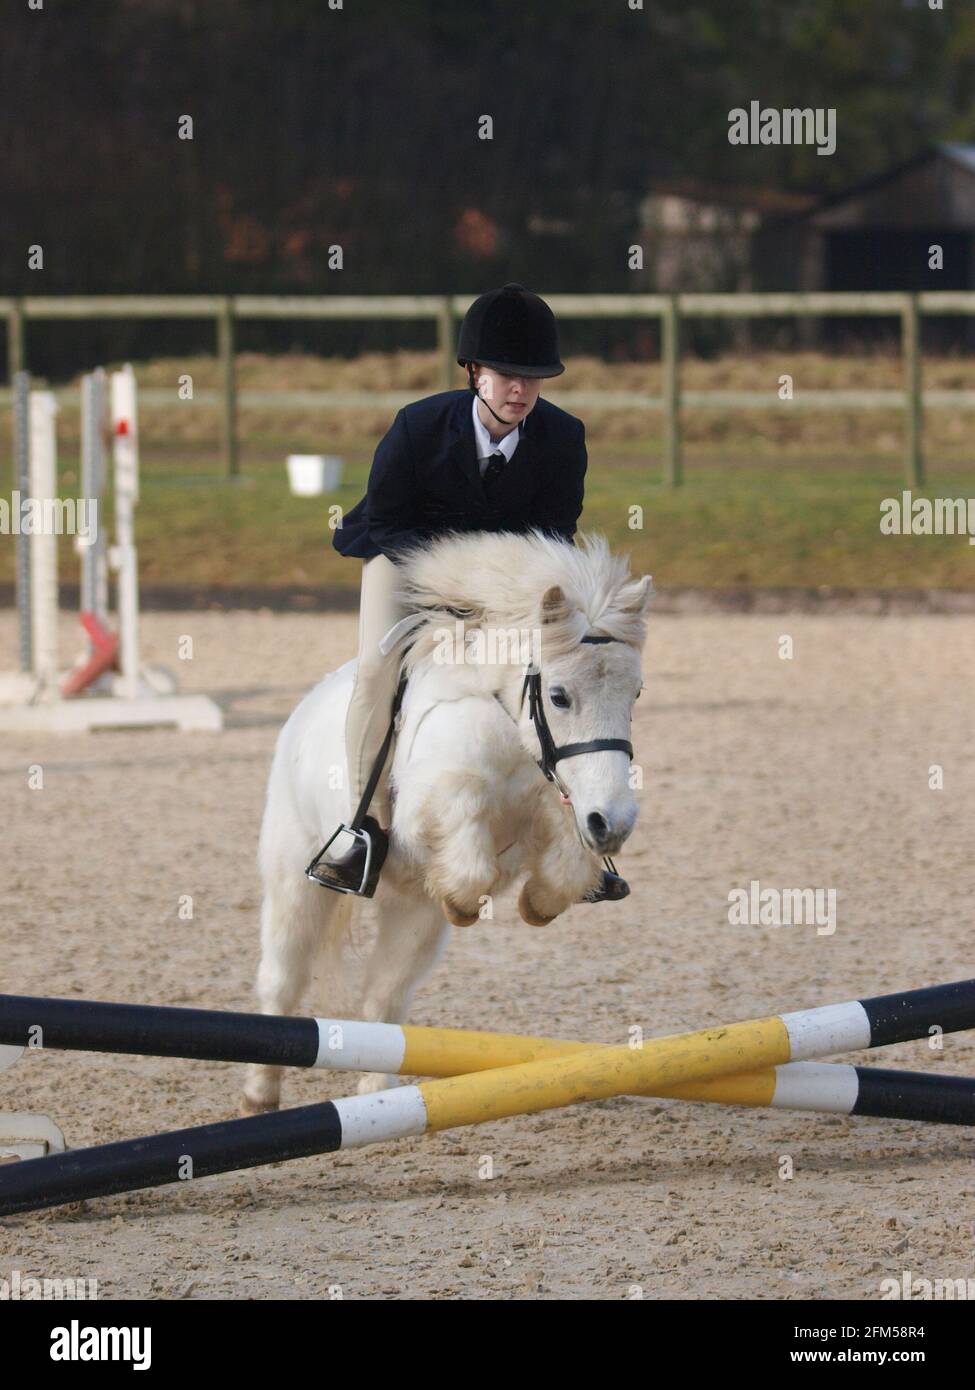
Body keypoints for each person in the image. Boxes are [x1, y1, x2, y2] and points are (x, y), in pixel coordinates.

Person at [308, 283, 629, 904]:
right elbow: (389, 524)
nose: (520, 390)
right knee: (378, 668)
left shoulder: (563, 438)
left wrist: (497, 596)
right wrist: (450, 594)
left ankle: (576, 824)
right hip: (405, 560)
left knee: (570, 672)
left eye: (534, 377)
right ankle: (361, 828)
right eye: (507, 375)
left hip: (504, 579)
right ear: (474, 371)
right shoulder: (418, 427)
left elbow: (553, 538)